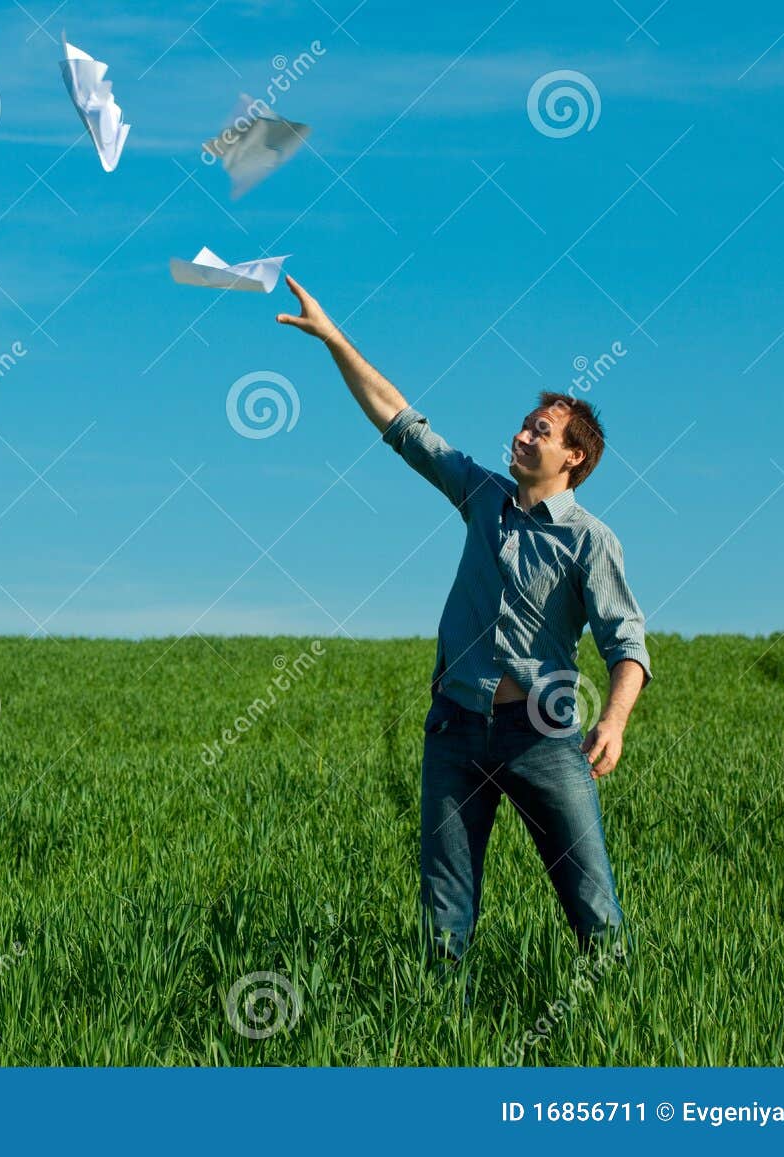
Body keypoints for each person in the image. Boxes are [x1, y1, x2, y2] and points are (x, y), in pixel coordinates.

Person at [276, 275, 651, 967]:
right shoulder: (482, 496)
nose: (521, 434)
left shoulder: (590, 541)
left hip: (543, 735)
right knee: (445, 917)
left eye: (540, 431)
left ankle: (614, 1014)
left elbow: (625, 640)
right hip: (455, 727)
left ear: (573, 457)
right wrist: (331, 337)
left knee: (592, 906)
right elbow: (402, 424)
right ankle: (441, 1021)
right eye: (524, 424)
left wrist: (616, 719)